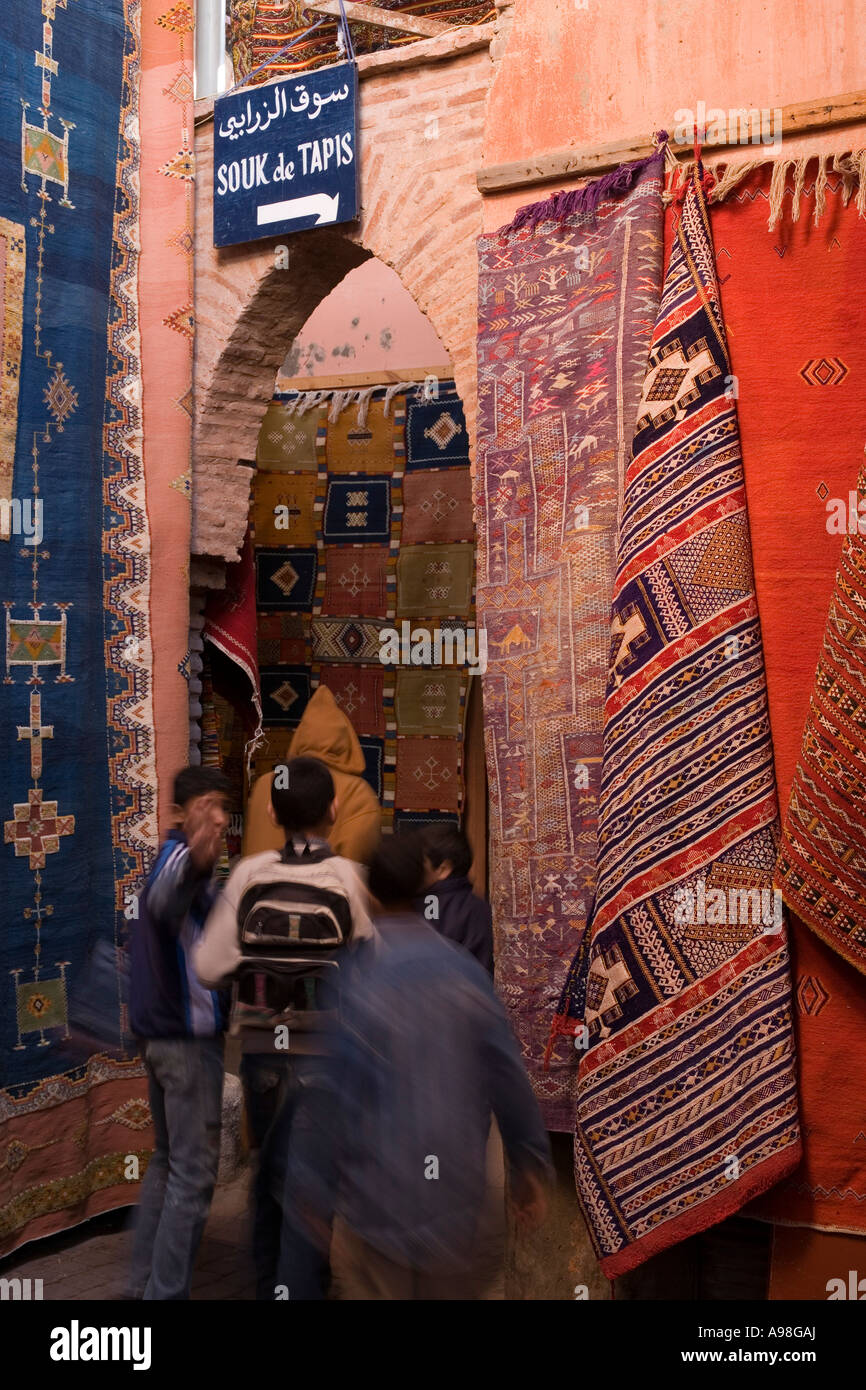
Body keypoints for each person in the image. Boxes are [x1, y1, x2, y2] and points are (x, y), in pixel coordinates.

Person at [331, 835, 551, 1300]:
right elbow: (507, 1074)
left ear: (369, 894)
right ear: (422, 887)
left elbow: (339, 1089)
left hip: (377, 1205)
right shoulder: (465, 972)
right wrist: (528, 1161)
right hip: (452, 1203)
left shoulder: (358, 976)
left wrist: (313, 1185)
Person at [195, 755, 374, 1300]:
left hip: (261, 1054)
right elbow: (374, 961)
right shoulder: (350, 879)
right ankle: (306, 1288)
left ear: (272, 810)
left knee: (268, 1170)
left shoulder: (248, 874)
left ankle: (270, 1284)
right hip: (326, 1052)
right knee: (314, 1180)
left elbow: (208, 968)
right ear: (334, 809)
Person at [126, 765, 232, 1301]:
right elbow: (168, 905)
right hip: (185, 1041)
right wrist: (195, 862)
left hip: (158, 1036)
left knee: (168, 1165)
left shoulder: (173, 861)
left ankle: (140, 1284)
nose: (218, 817)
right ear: (176, 813)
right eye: (207, 804)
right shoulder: (178, 862)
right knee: (192, 1176)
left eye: (222, 806)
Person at [242, 685, 381, 863]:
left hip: (257, 887)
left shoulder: (267, 783)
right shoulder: (357, 792)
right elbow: (359, 863)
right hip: (328, 888)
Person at [419, 823, 494, 974]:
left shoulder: (428, 903)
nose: (412, 868)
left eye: (420, 862)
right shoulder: (477, 907)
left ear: (443, 869)